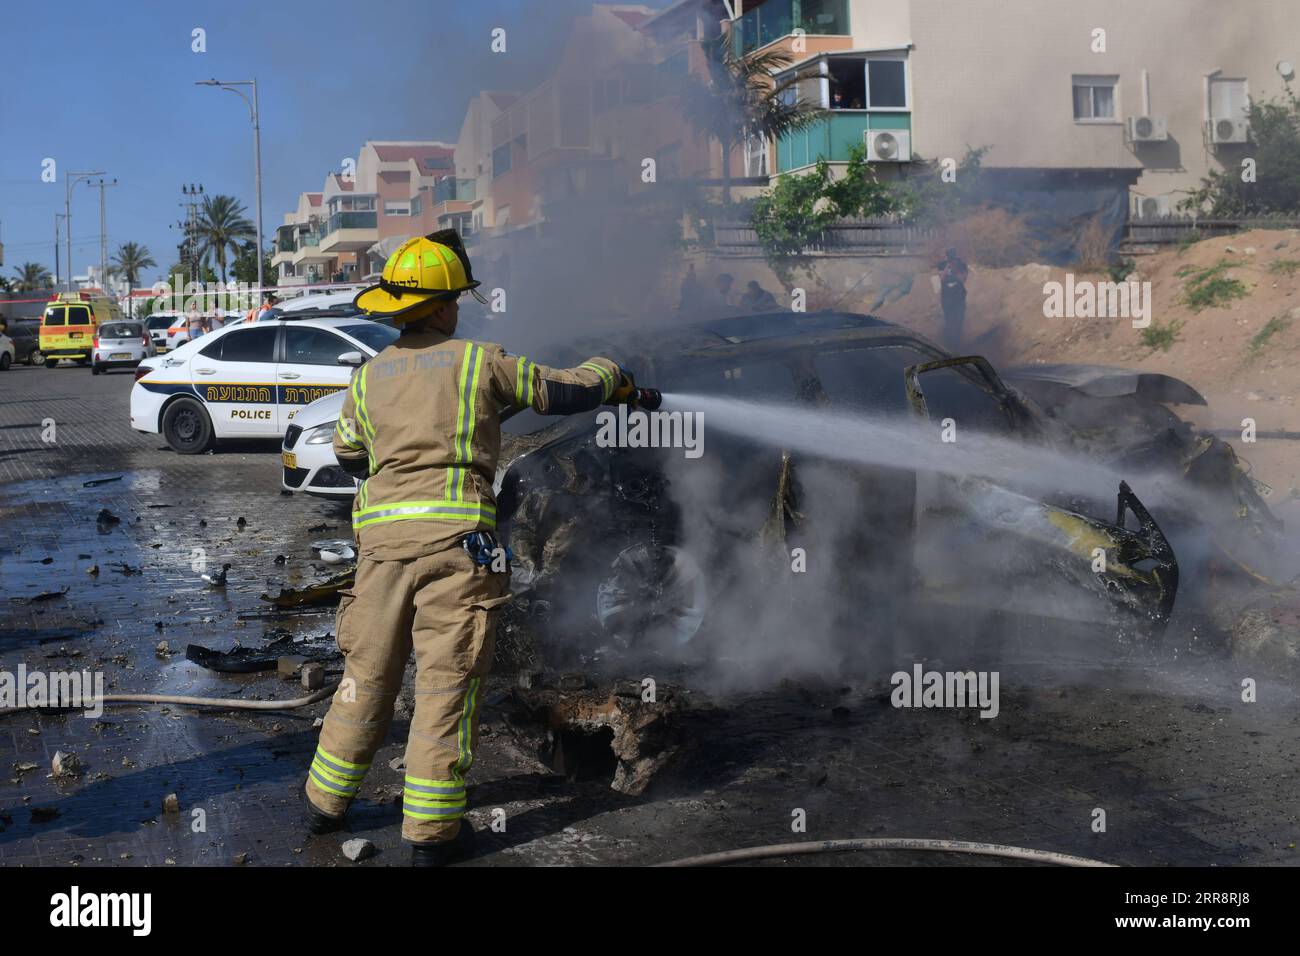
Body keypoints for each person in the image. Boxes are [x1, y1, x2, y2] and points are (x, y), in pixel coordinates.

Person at [301, 229, 640, 867]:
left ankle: (324, 804)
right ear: (437, 307)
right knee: (444, 685)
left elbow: (349, 453)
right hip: (456, 550)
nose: (458, 307)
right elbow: (561, 391)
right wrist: (612, 373)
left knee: (367, 675)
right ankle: (431, 836)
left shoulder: (369, 377)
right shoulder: (480, 362)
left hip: (378, 551)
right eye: (454, 298)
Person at [936, 247, 969, 351]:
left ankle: (957, 344)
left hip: (959, 297)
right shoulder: (942, 265)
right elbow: (941, 278)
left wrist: (955, 269)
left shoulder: (962, 265)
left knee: (959, 320)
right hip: (947, 298)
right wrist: (947, 267)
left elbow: (963, 279)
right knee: (949, 321)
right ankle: (948, 345)